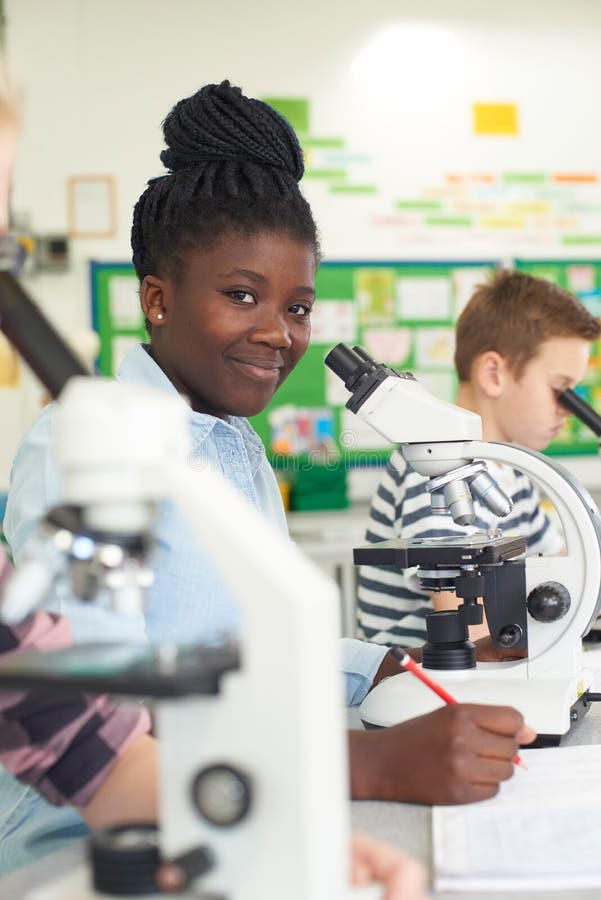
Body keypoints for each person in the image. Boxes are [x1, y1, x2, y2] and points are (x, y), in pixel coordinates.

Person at [2, 80, 534, 870]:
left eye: (296, 307)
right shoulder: (84, 453)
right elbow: (100, 720)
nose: (277, 334)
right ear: (156, 297)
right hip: (86, 844)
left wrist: (388, 668)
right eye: (242, 295)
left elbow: (250, 645)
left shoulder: (234, 445)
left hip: (229, 809)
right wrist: (373, 764)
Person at [357, 269, 600, 646]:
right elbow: (470, 627)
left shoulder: (514, 471)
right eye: (561, 390)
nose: (569, 410)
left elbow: (566, 570)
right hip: (419, 687)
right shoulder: (434, 465)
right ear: (494, 374)